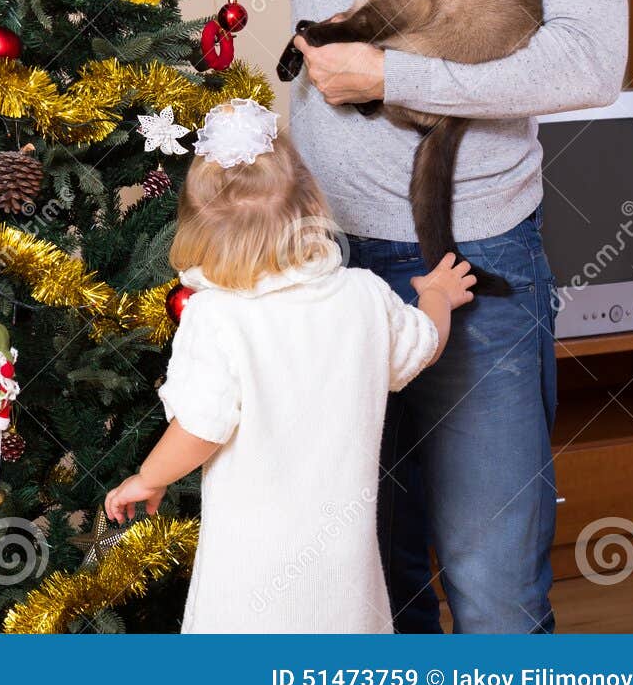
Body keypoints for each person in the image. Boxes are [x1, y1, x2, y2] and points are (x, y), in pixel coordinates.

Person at [10, 0, 624, 632]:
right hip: (318, 269)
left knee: (493, 592)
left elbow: (588, 60)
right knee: (370, 583)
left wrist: (394, 79)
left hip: (472, 259)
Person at [103, 99, 474, 632]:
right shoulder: (363, 296)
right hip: (344, 572)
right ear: (312, 206)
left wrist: (149, 478)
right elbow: (424, 345)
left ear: (198, 230)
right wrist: (438, 294)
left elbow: (201, 426)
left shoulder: (216, 316)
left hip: (251, 577)